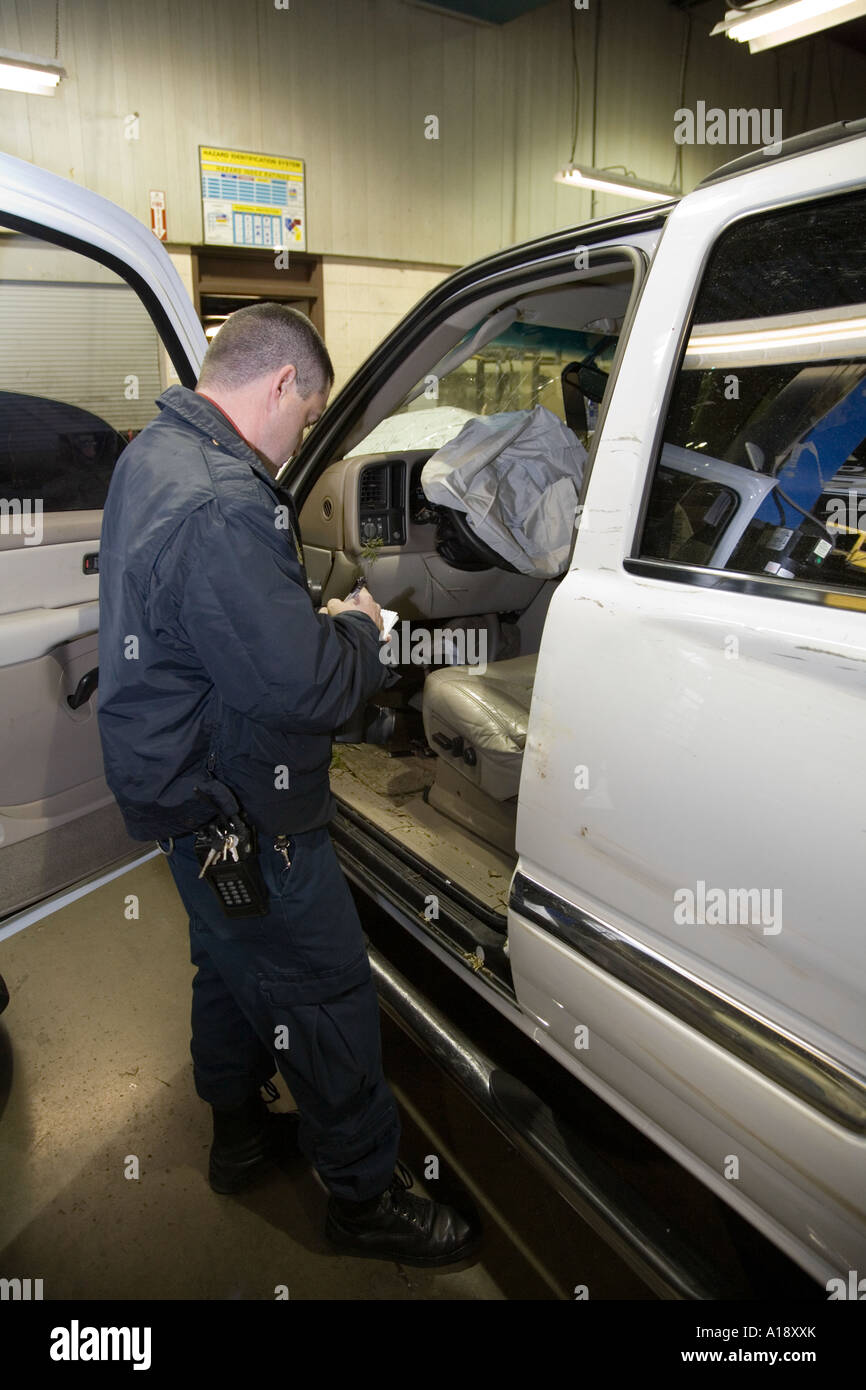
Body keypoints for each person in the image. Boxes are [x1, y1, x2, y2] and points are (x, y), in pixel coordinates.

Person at [97, 302, 480, 1268]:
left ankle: (236, 1133)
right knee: (323, 992)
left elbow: (217, 627)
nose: (298, 441)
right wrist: (357, 626)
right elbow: (307, 690)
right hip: (246, 805)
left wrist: (290, 618)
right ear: (277, 386)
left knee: (229, 961)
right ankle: (362, 1198)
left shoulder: (155, 453)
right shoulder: (227, 502)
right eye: (306, 419)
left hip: (188, 797)